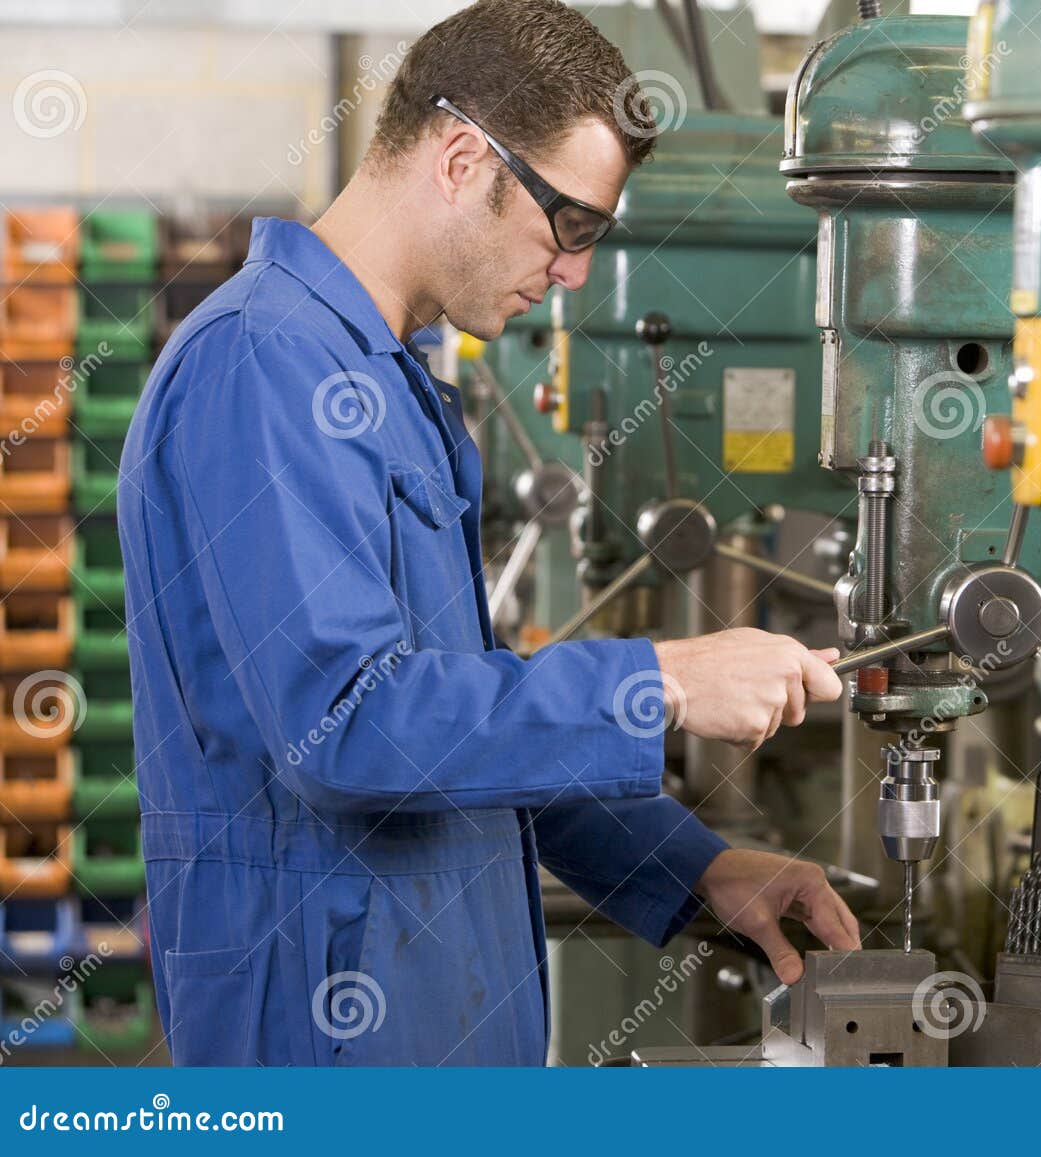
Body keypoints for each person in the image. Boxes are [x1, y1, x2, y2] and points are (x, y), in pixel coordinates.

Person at [118, 0, 858, 1066]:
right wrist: (658, 679)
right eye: (573, 224)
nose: (574, 272)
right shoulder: (264, 364)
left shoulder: (392, 382)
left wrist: (690, 865)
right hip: (327, 1034)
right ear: (464, 158)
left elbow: (462, 731)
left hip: (448, 1024)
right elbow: (349, 727)